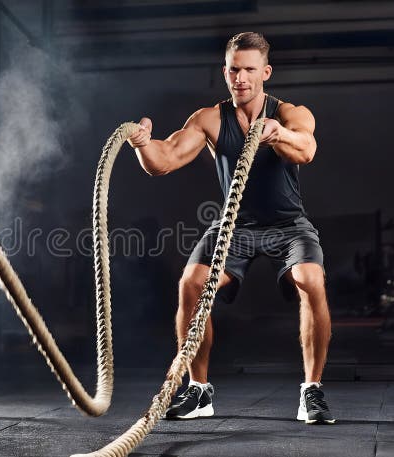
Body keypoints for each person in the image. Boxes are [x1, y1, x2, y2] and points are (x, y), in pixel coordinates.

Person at [127, 32, 334, 424]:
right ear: (225, 72)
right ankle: (199, 391)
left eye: (249, 70)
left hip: (288, 225)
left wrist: (278, 134)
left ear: (265, 72)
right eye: (234, 70)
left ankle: (313, 391)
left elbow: (306, 148)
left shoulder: (291, 112)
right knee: (191, 282)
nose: (241, 78)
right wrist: (141, 143)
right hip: (234, 228)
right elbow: (164, 160)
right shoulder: (209, 119)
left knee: (312, 280)